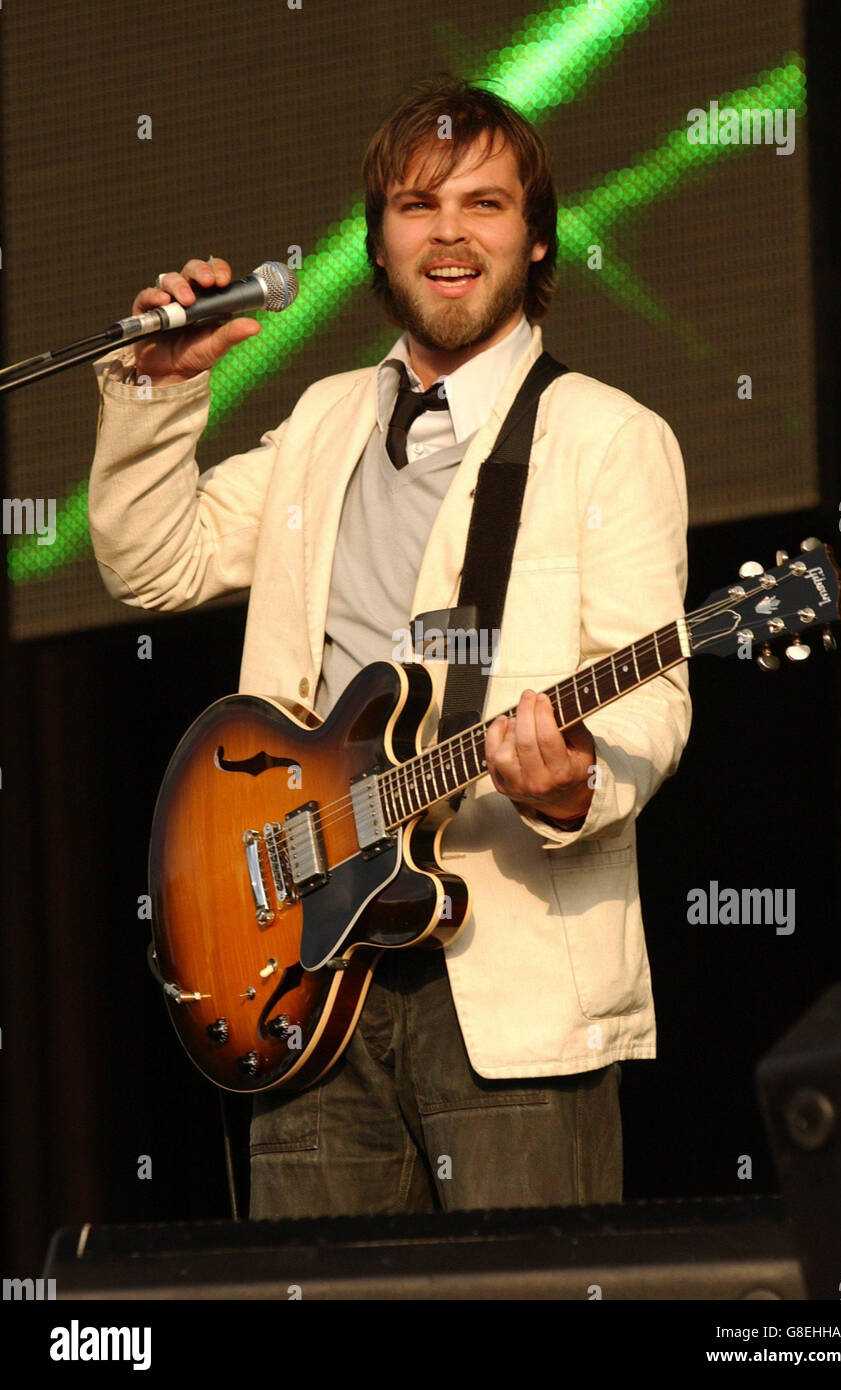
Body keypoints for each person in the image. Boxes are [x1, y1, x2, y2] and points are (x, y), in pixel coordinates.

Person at [88, 76, 691, 1219]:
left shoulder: (607, 440)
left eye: (485, 203)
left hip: (511, 991)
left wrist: (576, 786)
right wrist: (161, 395)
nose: (451, 232)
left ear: (537, 235)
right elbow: (151, 564)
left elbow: (651, 693)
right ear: (377, 242)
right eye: (418, 205)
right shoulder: (324, 421)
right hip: (306, 984)